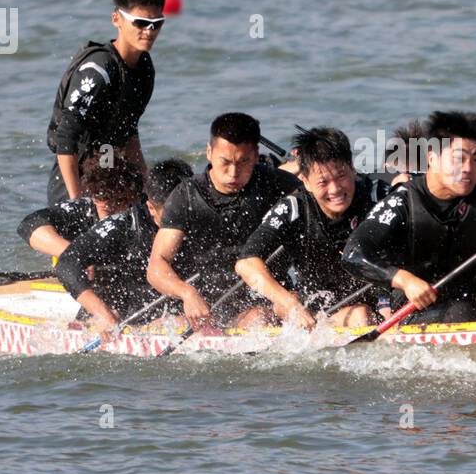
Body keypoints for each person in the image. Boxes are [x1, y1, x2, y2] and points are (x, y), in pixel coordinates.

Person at [341, 110, 476, 325]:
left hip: (473, 304)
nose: (468, 169)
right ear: (432, 158)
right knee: (460, 312)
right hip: (413, 310)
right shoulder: (402, 203)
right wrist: (405, 281)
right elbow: (353, 254)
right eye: (459, 159)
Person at [147, 112, 301, 331]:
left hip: (275, 299)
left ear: (256, 155)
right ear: (209, 152)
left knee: (263, 316)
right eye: (225, 162)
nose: (233, 173)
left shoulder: (279, 185)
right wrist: (187, 293)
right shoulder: (187, 196)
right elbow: (157, 265)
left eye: (243, 162)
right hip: (212, 308)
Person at [235, 127, 390, 329]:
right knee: (262, 317)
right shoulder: (293, 208)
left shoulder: (380, 196)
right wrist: (288, 303)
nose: (335, 190)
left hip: (380, 308)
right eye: (323, 182)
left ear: (352, 168)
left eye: (341, 176)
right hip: (314, 313)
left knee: (361, 315)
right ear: (305, 181)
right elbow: (246, 263)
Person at [45, 0, 163, 204]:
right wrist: (77, 201)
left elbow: (129, 132)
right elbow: (65, 139)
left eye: (156, 24)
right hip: (74, 181)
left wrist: (148, 190)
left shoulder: (144, 67)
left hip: (113, 174)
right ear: (116, 18)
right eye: (140, 22)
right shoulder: (98, 69)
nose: (149, 31)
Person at [55, 159, 190, 334]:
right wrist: (103, 314)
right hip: (135, 319)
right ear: (151, 208)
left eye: (185, 212)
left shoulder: (203, 212)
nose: (181, 224)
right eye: (171, 217)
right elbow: (67, 263)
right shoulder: (123, 225)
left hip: (186, 312)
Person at [17, 156, 160, 258]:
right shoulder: (81, 209)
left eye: (121, 199)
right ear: (94, 197)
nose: (115, 206)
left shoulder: (145, 211)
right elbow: (28, 225)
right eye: (105, 198)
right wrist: (74, 255)